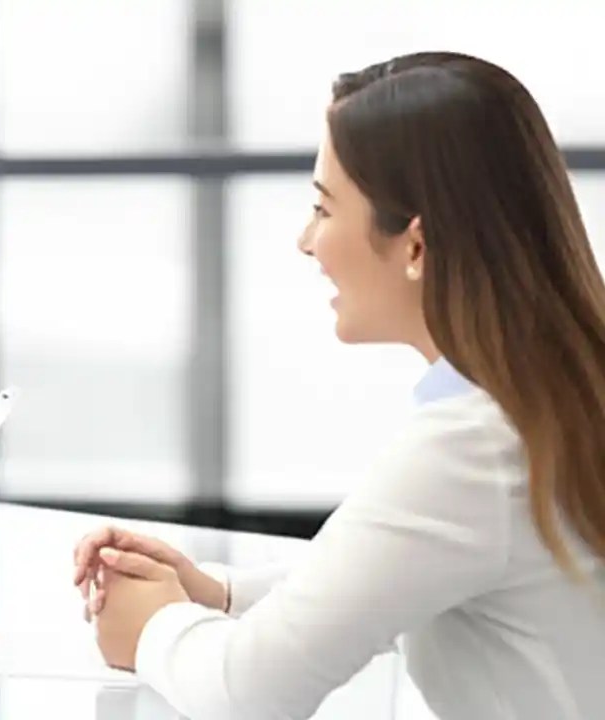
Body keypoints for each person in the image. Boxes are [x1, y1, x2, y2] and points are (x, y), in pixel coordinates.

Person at [73, 52, 605, 720]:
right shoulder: (552, 400)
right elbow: (410, 563)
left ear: (416, 247)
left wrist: (152, 628)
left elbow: (248, 691)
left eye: (324, 209)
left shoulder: (473, 448)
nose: (306, 241)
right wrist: (217, 595)